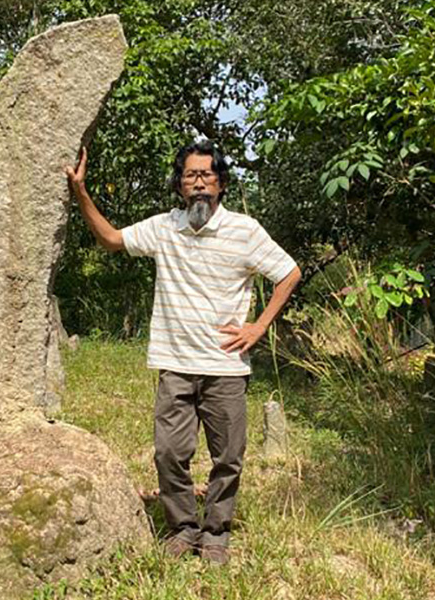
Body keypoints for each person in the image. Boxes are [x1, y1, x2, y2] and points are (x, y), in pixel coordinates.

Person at [64, 139, 301, 565]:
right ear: (179, 186)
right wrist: (81, 193)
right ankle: (182, 529)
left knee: (228, 456)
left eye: (207, 175)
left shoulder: (245, 230)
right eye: (190, 176)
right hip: (175, 365)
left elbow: (289, 272)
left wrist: (258, 327)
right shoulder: (163, 227)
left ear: (221, 183)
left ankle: (215, 534)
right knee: (169, 453)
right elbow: (113, 240)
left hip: (225, 367)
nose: (199, 185)